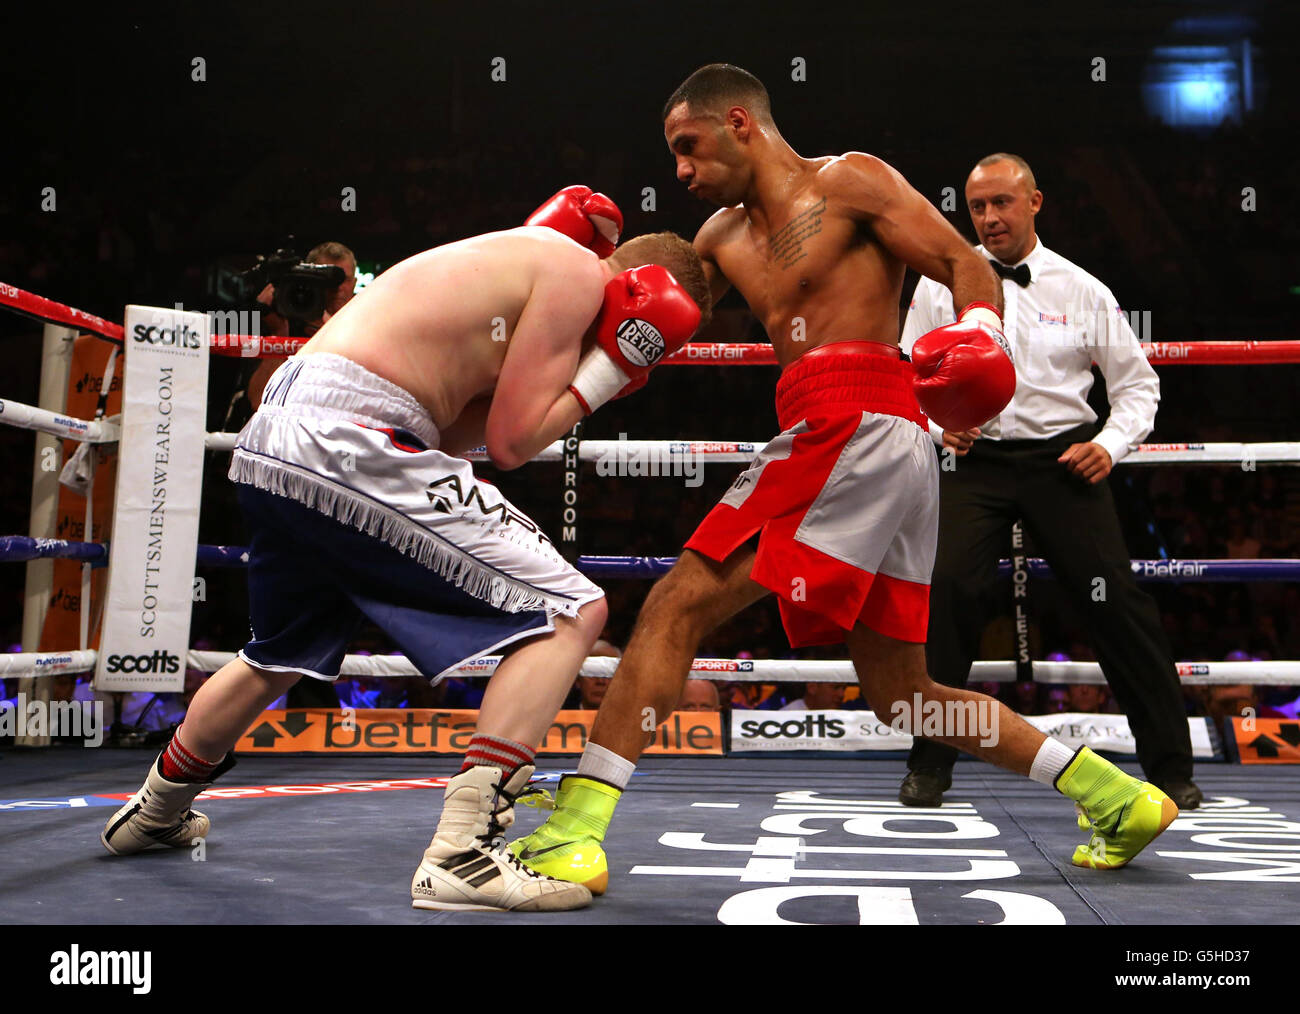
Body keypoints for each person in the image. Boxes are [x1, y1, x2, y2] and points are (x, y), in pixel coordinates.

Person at [511, 65, 1178, 895]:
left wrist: (979, 339)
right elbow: (653, 308)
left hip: (856, 419)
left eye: (689, 146)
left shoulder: (852, 181)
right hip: (861, 439)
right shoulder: (718, 238)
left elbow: (957, 261)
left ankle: (577, 828)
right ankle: (1112, 795)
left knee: (678, 605)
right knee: (904, 694)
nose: (678, 169)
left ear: (740, 124)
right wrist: (577, 268)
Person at [100, 189, 711, 914]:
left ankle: (153, 811)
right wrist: (605, 374)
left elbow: (459, 435)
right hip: (347, 440)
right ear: (638, 294)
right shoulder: (578, 273)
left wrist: (586, 375)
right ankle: (462, 855)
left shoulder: (511, 266)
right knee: (573, 607)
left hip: (283, 438)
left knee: (280, 650)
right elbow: (517, 447)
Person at [897, 153, 1202, 811]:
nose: (989, 218)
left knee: (1116, 601)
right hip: (973, 463)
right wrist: (936, 426)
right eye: (977, 207)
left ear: (1035, 202)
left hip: (1064, 462)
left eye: (1002, 203)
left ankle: (1172, 770)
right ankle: (929, 766)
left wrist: (1107, 445)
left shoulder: (1081, 288)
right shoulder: (938, 285)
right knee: (947, 590)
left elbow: (1138, 387)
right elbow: (906, 379)